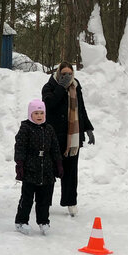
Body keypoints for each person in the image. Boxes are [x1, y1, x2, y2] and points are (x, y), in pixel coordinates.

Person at [41, 61, 95, 216]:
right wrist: (61, 87)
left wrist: (88, 128)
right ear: (58, 73)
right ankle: (45, 201)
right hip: (54, 136)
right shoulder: (49, 86)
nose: (67, 76)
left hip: (73, 137)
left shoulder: (76, 87)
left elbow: (81, 109)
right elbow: (49, 104)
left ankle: (70, 201)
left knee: (71, 172)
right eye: (63, 73)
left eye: (69, 74)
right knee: (50, 171)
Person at [14, 99, 63, 235]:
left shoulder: (49, 129)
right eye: (36, 113)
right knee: (27, 198)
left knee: (44, 199)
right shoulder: (26, 128)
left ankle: (43, 221)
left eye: (41, 113)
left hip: (46, 169)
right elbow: (20, 147)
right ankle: (21, 221)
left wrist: (58, 164)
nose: (39, 116)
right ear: (31, 114)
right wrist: (20, 164)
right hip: (31, 168)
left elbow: (55, 148)